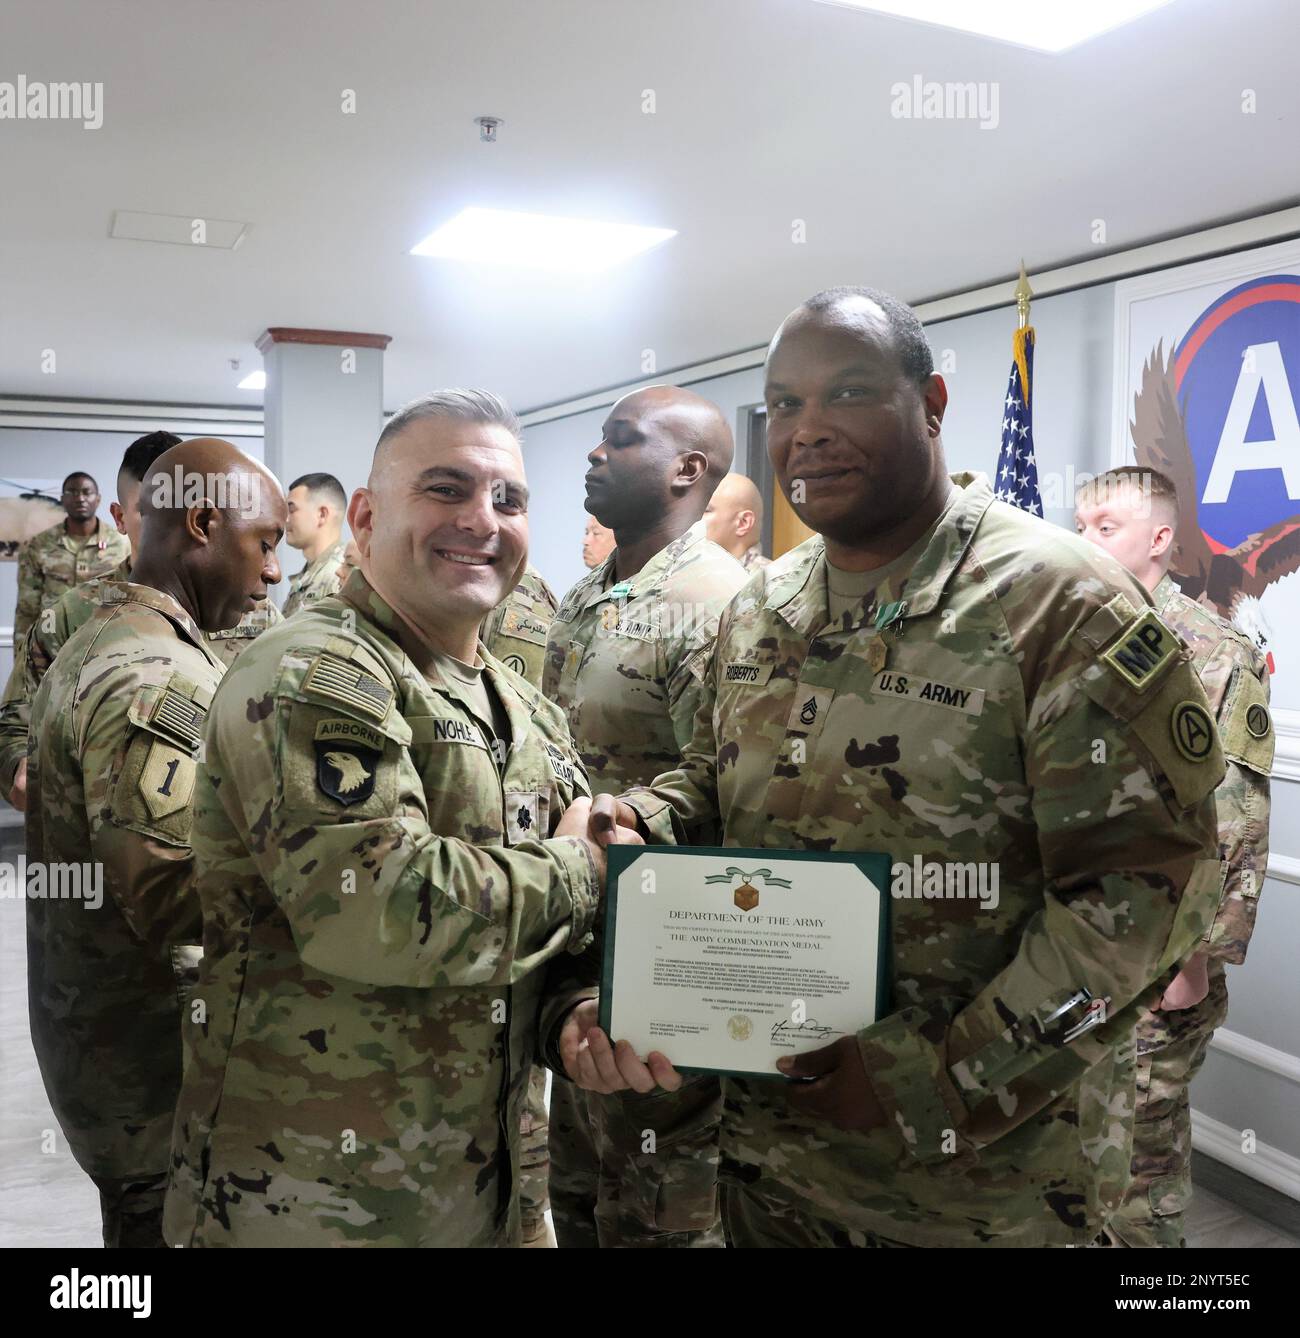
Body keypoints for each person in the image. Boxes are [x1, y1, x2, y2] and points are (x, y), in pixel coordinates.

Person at [571, 286, 1226, 1248]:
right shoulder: (766, 604)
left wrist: (940, 1078)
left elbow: (1146, 897)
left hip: (976, 1188)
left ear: (932, 405)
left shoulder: (1059, 605)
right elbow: (716, 786)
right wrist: (636, 823)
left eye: (848, 393)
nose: (809, 431)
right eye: (785, 405)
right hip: (769, 1165)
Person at [164, 390, 621, 1248]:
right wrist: (581, 870)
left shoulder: (525, 709)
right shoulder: (315, 672)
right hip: (313, 1203)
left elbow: (544, 939)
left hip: (493, 1191)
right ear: (366, 518)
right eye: (446, 490)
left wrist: (577, 1013)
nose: (482, 520)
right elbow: (374, 909)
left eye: (508, 499)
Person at [26, 438, 286, 1248]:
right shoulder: (156, 675)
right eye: (266, 543)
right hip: (154, 1070)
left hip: (110, 1047)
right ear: (205, 523)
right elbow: (177, 898)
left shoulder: (104, 632)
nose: (274, 573)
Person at [545, 385, 747, 1249]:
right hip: (576, 957)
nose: (595, 455)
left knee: (656, 1218)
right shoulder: (589, 594)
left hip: (667, 969)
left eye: (619, 442)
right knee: (579, 1200)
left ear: (686, 472)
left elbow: (731, 801)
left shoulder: (718, 604)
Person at [1076, 465, 1272, 1248]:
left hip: (1158, 945)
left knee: (1138, 1165)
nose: (1084, 542)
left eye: (1105, 528)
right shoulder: (1058, 636)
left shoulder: (1215, 651)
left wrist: (1195, 953)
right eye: (1081, 526)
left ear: (1159, 540)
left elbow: (1237, 812)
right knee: (1075, 1152)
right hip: (1070, 938)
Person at [1, 434, 281, 811]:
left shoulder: (256, 612)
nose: (165, 523)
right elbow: (15, 723)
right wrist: (20, 767)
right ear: (119, 517)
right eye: (147, 509)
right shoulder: (75, 615)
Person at [14, 471, 131, 639]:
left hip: (104, 639)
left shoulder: (121, 543)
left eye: (86, 492)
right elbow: (27, 608)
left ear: (98, 499)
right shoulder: (38, 545)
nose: (80, 498)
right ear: (62, 499)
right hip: (53, 640)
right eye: (72, 492)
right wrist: (22, 657)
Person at [282, 472, 348, 615]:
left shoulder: (340, 575)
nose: (285, 519)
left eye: (292, 510)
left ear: (322, 515)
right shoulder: (307, 576)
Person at [704, 471, 770, 573]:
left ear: (743, 523)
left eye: (705, 510)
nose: (693, 518)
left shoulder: (774, 584)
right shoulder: (694, 576)